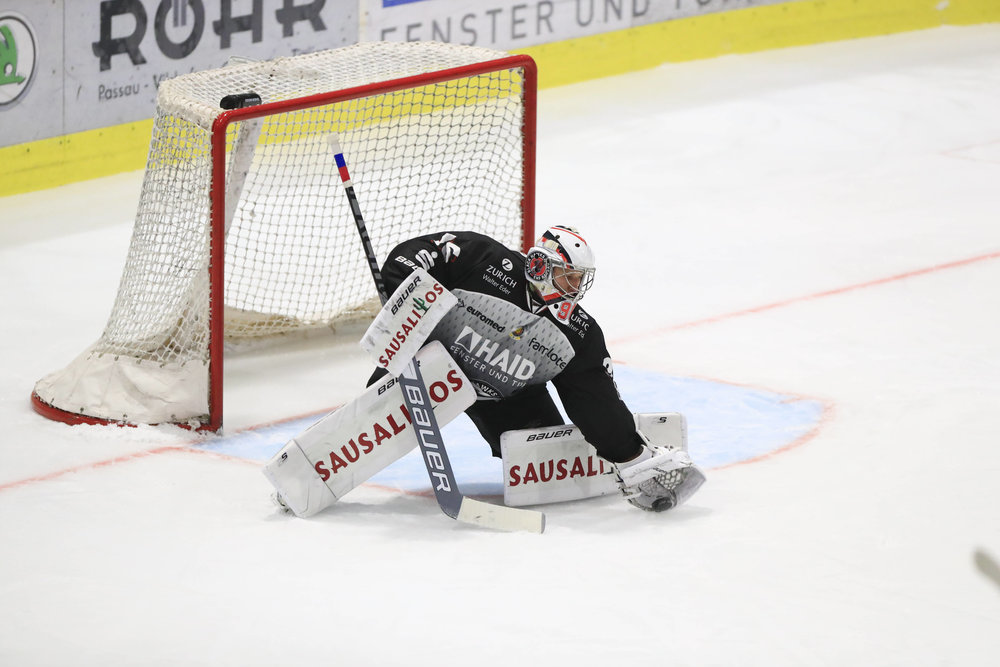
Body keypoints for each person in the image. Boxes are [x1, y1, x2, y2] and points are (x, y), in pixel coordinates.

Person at [369, 225, 704, 512]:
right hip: (428, 366)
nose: (574, 289)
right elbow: (415, 256)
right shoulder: (483, 259)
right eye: (567, 277)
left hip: (505, 395)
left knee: (548, 463)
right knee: (367, 427)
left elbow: (593, 397)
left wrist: (630, 454)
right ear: (541, 266)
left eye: (578, 280)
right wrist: (405, 301)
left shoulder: (577, 332)